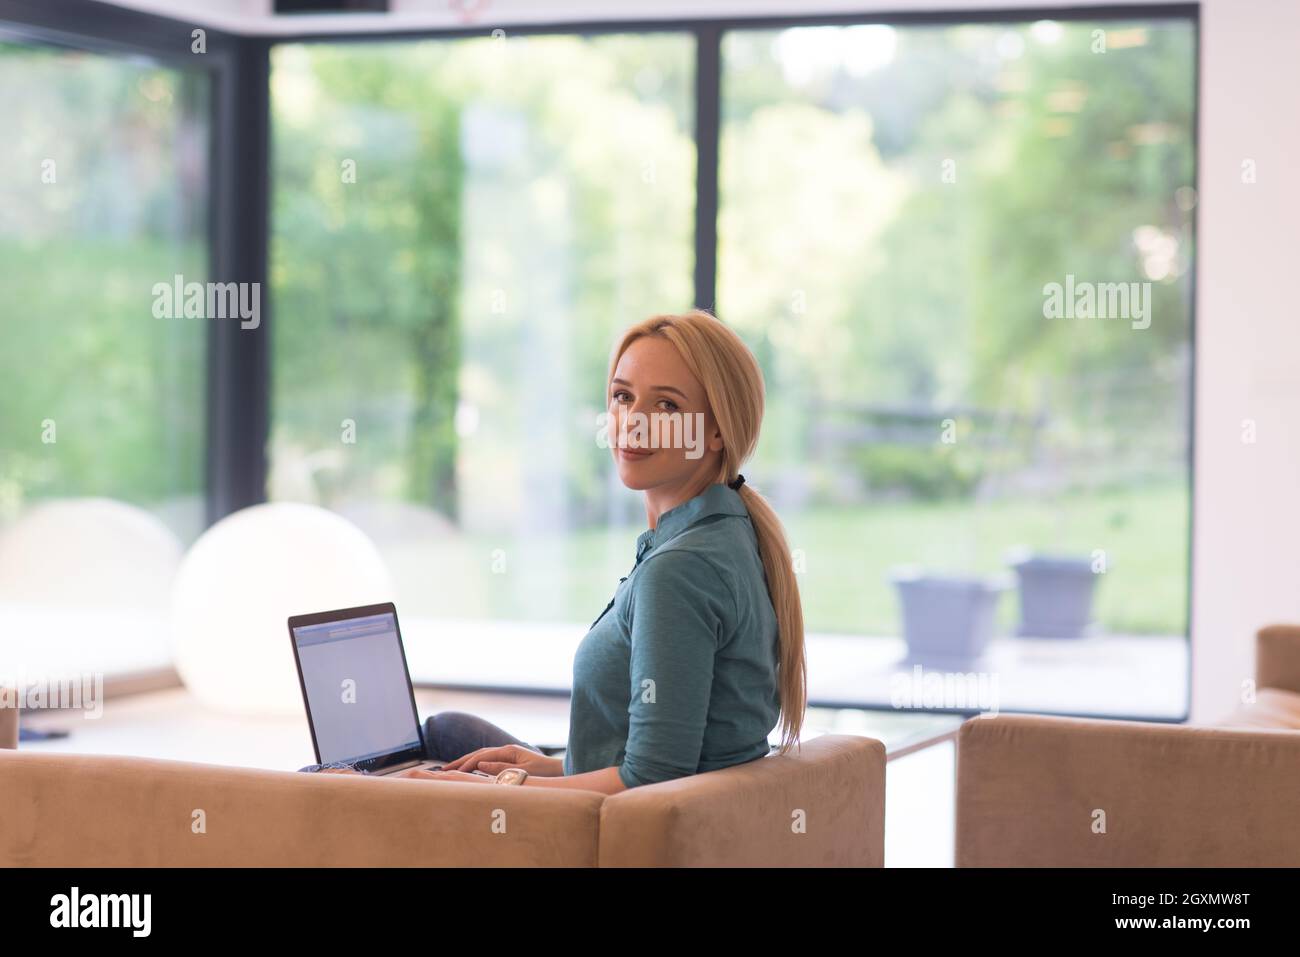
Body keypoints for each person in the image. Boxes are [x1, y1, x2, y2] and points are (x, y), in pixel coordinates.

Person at [303, 308, 807, 793]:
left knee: (323, 782)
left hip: (580, 830)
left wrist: (491, 789)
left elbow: (652, 780)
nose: (632, 421)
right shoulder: (728, 528)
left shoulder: (679, 571)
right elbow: (670, 754)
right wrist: (548, 767)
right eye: (622, 396)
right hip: (597, 787)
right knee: (444, 732)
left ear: (717, 431)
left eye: (667, 405)